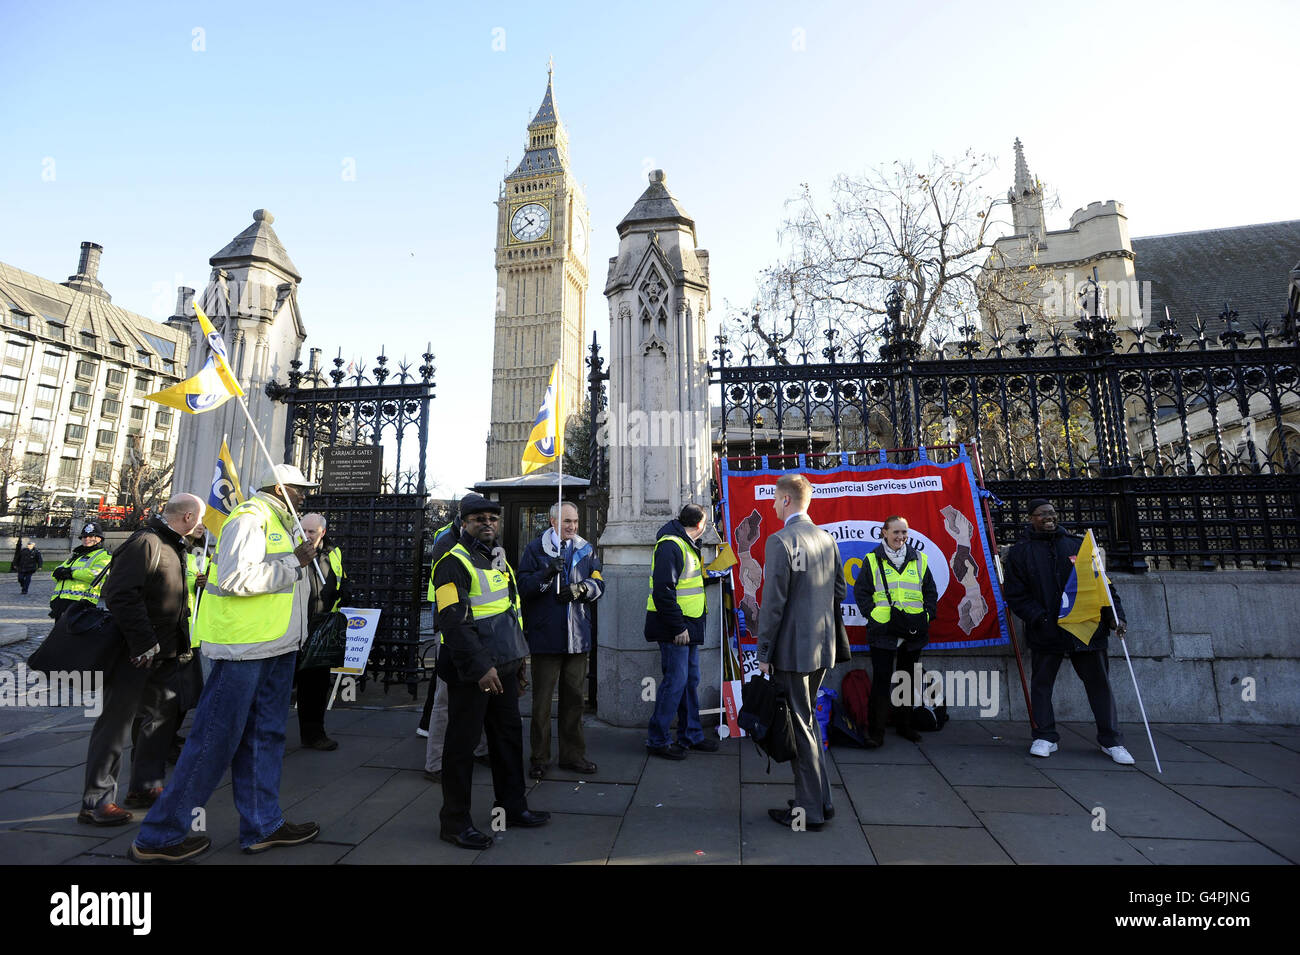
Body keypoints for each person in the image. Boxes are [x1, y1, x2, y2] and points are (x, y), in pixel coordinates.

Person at [130, 465, 323, 863]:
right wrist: (296, 564)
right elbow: (237, 578)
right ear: (280, 487)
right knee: (213, 741)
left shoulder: (280, 522)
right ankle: (160, 835)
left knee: (264, 738)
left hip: (275, 647)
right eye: (300, 489)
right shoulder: (250, 517)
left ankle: (263, 826)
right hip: (242, 651)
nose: (305, 495)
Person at [432, 493, 549, 850]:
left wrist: (519, 663)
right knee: (462, 747)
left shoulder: (496, 559)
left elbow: (509, 612)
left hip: (505, 667)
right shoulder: (452, 562)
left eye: (492, 518)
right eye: (478, 518)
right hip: (473, 671)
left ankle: (512, 807)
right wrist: (483, 666)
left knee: (508, 740)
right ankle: (454, 822)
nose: (487, 523)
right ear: (463, 523)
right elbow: (452, 622)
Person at [79, 494, 204, 826]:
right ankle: (96, 801)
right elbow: (119, 594)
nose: (202, 528)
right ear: (188, 517)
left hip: (165, 653)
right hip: (133, 653)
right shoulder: (146, 541)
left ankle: (144, 787)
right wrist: (143, 643)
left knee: (158, 722)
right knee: (115, 726)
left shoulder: (173, 544)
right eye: (201, 520)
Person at [1001, 498, 1134, 765]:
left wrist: (1115, 618)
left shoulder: (1079, 546)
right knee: (1041, 685)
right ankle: (1045, 736)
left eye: (1052, 512)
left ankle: (1111, 740)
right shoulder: (1019, 553)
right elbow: (1016, 595)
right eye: (1042, 514)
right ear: (1031, 518)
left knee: (1099, 686)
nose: (1049, 517)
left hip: (1086, 630)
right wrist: (1040, 618)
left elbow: (1104, 587)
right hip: (1047, 630)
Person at [755, 475, 846, 830]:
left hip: (792, 651)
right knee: (806, 721)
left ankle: (809, 809)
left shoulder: (781, 541)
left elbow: (773, 604)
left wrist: (764, 651)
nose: (774, 506)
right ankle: (821, 800)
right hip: (822, 647)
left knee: (801, 726)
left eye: (776, 500)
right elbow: (838, 591)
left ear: (787, 501)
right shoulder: (827, 538)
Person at [518, 501, 603, 779]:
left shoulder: (586, 549)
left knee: (575, 700)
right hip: (546, 637)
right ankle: (539, 757)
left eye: (575, 521)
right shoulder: (535, 549)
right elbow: (525, 588)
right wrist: (546, 573)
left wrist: (581, 589)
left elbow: (599, 583)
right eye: (567, 521)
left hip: (577, 637)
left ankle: (573, 755)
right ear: (553, 522)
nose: (573, 526)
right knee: (542, 703)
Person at [852, 515, 938, 747]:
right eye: (896, 532)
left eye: (904, 532)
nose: (900, 537)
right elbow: (861, 592)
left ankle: (905, 726)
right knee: (881, 680)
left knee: (907, 679)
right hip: (884, 630)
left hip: (913, 628)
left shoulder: (919, 559)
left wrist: (927, 615)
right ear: (884, 533)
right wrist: (874, 616)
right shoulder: (872, 560)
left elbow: (930, 592)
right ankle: (876, 732)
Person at [644, 503, 719, 759]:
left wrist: (715, 573)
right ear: (700, 524)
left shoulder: (683, 543)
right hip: (677, 628)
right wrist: (678, 627)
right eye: (706, 523)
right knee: (675, 683)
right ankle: (658, 740)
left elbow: (686, 582)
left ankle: (691, 735)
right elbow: (663, 591)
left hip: (688, 626)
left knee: (688, 682)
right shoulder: (671, 544)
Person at [421, 515, 489, 782]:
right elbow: (448, 596)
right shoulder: (447, 543)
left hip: (477, 632)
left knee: (480, 695)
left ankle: (479, 748)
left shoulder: (481, 545)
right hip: (450, 632)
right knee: (445, 699)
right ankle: (435, 762)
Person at [296, 512, 351, 751]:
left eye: (312, 532)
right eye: (303, 531)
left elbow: (340, 582)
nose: (306, 536)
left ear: (323, 533)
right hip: (293, 627)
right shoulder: (292, 552)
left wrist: (341, 596)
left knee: (316, 686)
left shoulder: (332, 553)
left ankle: (314, 734)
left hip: (321, 628)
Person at [49, 521, 111, 620]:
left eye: (91, 536)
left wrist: (71, 573)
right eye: (84, 537)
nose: (87, 539)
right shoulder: (77, 555)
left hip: (82, 602)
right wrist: (59, 573)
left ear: (99, 539)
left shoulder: (104, 555)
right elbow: (56, 572)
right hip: (61, 602)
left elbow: (95, 575)